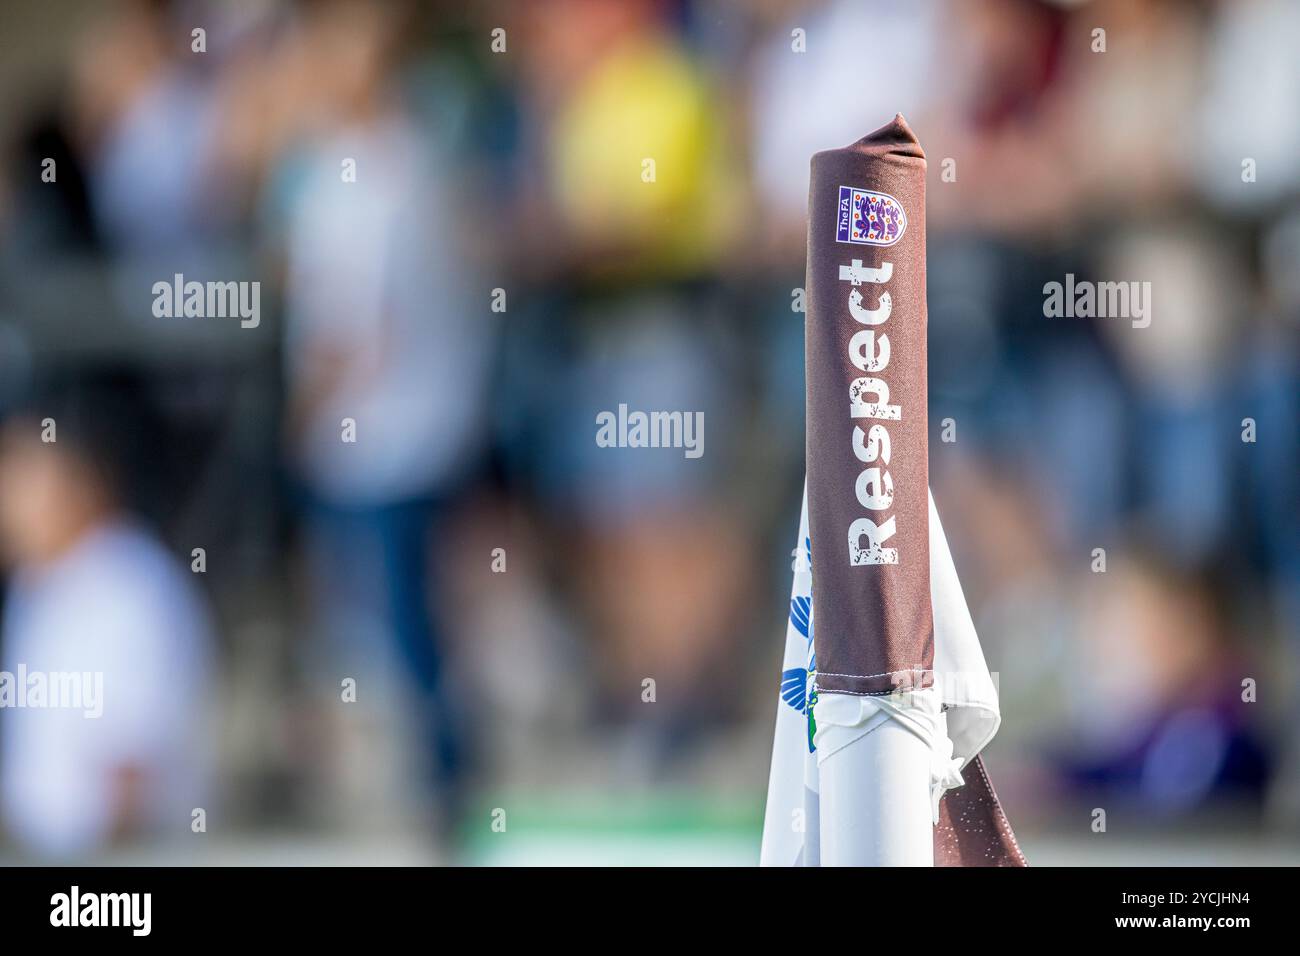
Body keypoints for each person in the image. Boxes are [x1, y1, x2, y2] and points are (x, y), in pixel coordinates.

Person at [0, 374, 215, 859]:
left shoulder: (130, 588)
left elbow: (131, 783)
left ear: (83, 479)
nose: (8, 499)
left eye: (24, 474)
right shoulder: (39, 584)